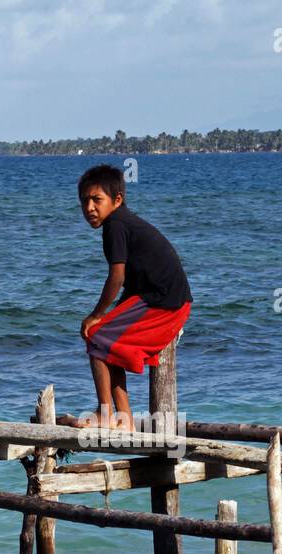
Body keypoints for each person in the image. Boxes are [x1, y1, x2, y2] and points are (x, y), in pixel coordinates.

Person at [76, 163, 191, 431]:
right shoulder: (122, 222)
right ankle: (123, 418)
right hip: (167, 300)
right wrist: (110, 315)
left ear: (117, 200)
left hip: (165, 304)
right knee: (107, 342)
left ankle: (106, 413)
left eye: (97, 199)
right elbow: (130, 280)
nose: (89, 207)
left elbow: (117, 276)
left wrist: (97, 314)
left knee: (97, 336)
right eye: (84, 201)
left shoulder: (115, 225)